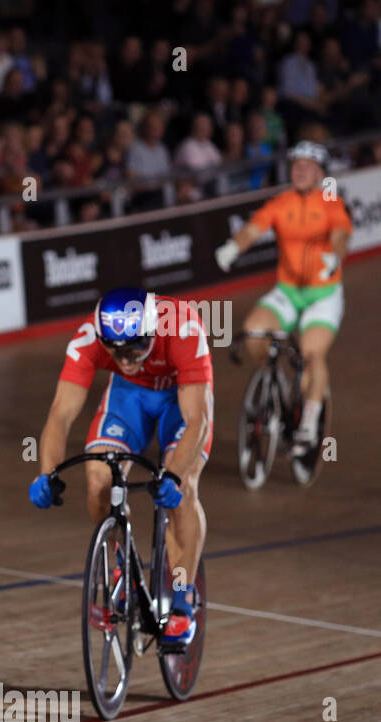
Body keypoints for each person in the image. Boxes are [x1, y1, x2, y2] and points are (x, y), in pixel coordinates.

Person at [28, 287, 214, 648]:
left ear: (152, 331)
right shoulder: (89, 336)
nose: (126, 360)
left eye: (134, 349)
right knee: (99, 477)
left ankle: (181, 598)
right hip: (130, 398)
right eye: (117, 352)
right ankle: (121, 567)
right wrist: (46, 472)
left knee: (182, 490)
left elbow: (198, 421)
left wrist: (173, 474)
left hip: (182, 401)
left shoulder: (183, 328)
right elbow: (61, 414)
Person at [215, 140, 352, 482]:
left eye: (307, 166)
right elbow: (252, 229)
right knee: (255, 332)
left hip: (323, 294)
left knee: (312, 355)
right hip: (288, 291)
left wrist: (334, 256)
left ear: (320, 173)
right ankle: (272, 381)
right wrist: (233, 248)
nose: (299, 170)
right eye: (296, 165)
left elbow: (340, 235)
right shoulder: (281, 203)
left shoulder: (331, 203)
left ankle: (308, 421)